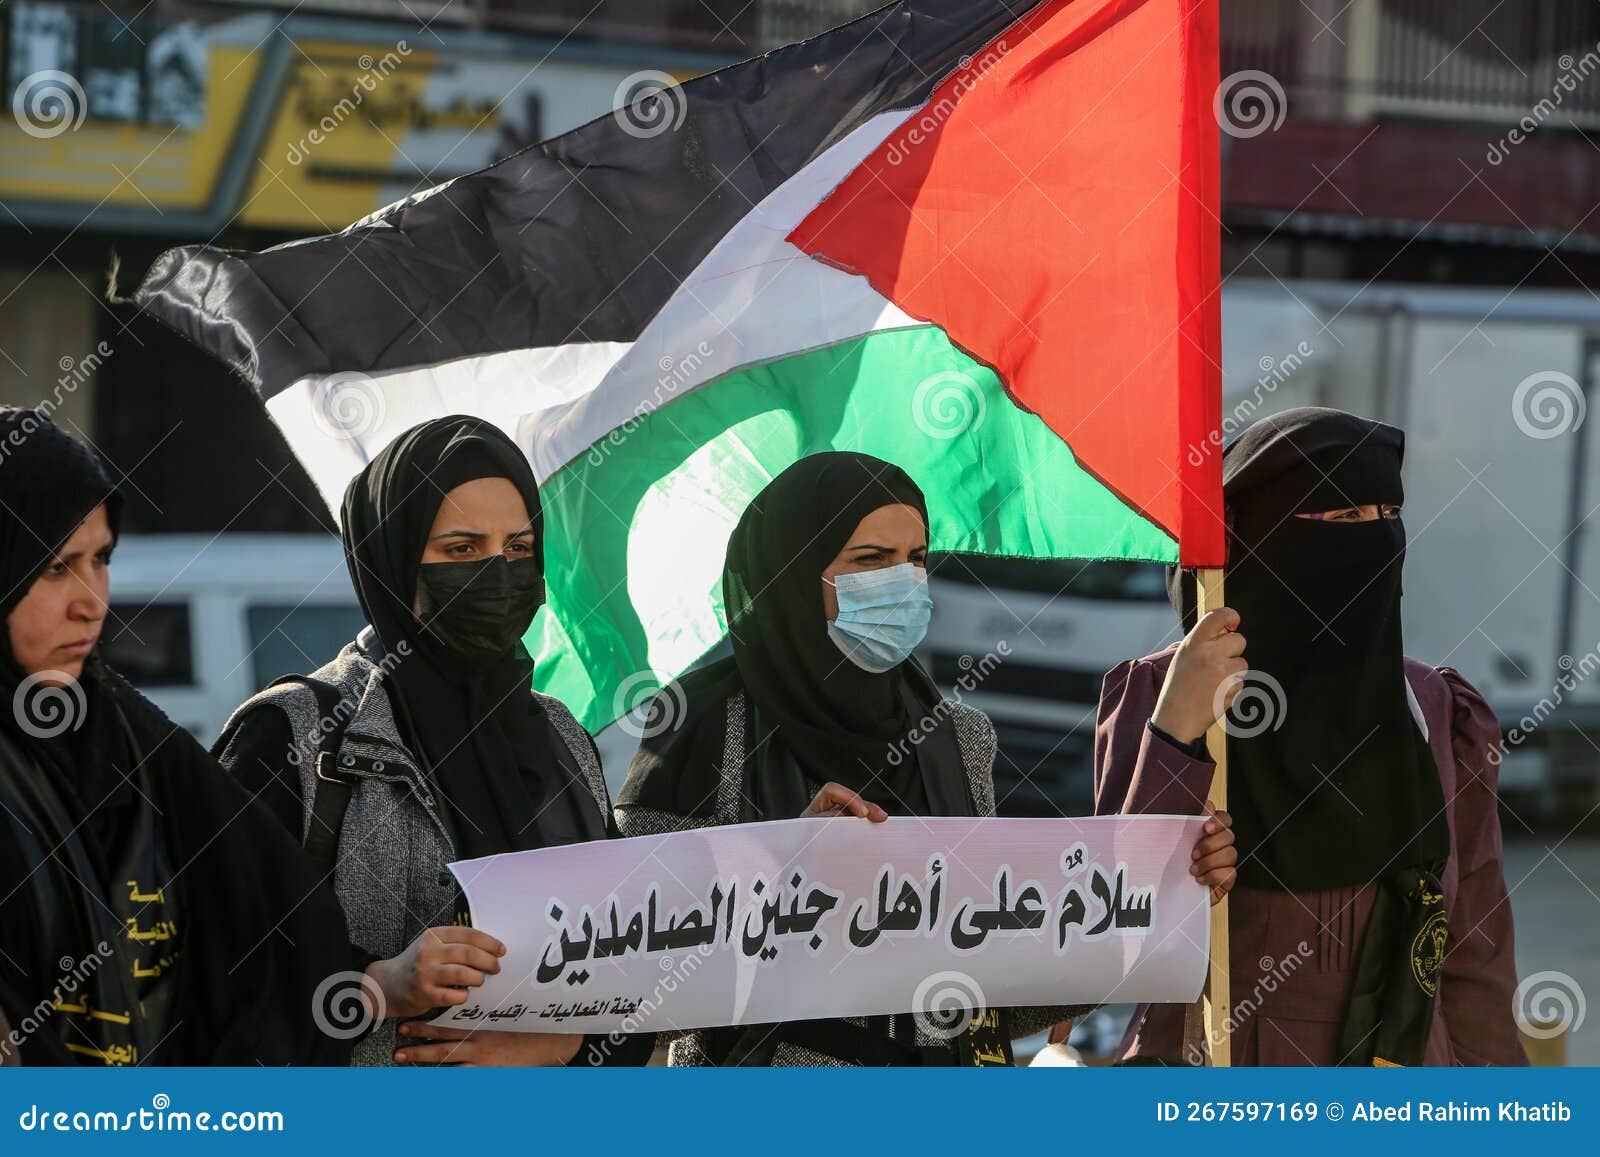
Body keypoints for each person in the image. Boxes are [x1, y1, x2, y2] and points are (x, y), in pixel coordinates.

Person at [616, 451, 1237, 1065]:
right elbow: (632, 970)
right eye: (870, 561)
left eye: (915, 558)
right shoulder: (703, 725)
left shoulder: (955, 738)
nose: (904, 580)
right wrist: (788, 871)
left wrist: (1170, 883)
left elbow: (985, 973)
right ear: (791, 573)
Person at [1095, 406, 1527, 1066]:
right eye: (1345, 518)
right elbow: (1113, 918)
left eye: (1388, 515)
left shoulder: (1433, 707)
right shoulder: (1167, 695)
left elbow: (1475, 956)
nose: (1376, 539)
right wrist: (1178, 733)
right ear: (1265, 534)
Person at [216, 416, 650, 1067]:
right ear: (392, 558)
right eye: (460, 549)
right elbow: (210, 961)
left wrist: (565, 1043)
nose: (497, 573)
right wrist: (379, 986)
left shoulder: (560, 739)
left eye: (519, 546)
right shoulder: (297, 739)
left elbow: (635, 975)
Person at [0, 408, 352, 1066]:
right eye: (54, 567)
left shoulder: (128, 735)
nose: (92, 600)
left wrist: (385, 982)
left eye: (100, 560)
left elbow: (278, 917)